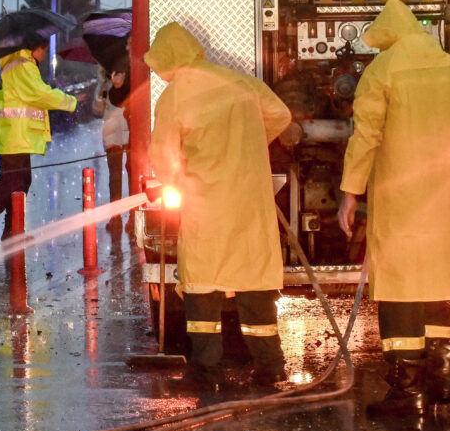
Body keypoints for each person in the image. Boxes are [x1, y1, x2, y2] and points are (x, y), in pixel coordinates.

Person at [337, 0, 450, 416]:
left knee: (401, 288)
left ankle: (408, 391)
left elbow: (365, 135)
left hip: (403, 199)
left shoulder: (383, 71)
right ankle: (440, 375)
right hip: (448, 198)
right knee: (436, 282)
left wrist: (350, 192)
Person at [145, 22, 298, 388]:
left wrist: (171, 182)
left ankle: (206, 370)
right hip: (251, 199)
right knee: (255, 279)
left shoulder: (177, 95)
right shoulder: (239, 81)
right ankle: (270, 366)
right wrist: (248, 140)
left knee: (202, 285)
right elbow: (280, 115)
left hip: (206, 202)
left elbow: (164, 154)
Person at [0, 35, 78, 245]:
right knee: (10, 184)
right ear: (37, 48)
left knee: (18, 183)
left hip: (16, 135)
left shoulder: (19, 64)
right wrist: (70, 101)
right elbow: (40, 94)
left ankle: (12, 229)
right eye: (45, 51)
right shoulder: (23, 66)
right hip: (15, 135)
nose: (45, 55)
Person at [91, 58, 131, 229]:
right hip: (111, 134)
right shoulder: (104, 83)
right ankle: (116, 217)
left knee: (133, 172)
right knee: (114, 176)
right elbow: (97, 110)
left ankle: (135, 215)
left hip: (131, 130)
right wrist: (102, 94)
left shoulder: (130, 80)